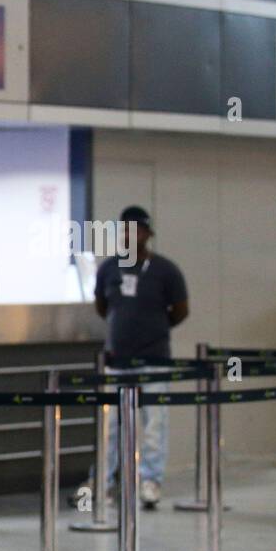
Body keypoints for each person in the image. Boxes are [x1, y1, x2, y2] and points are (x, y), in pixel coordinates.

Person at [93, 205, 188, 509]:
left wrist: (155, 328)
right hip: (118, 358)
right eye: (125, 230)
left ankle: (150, 480)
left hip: (155, 358)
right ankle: (105, 482)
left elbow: (181, 309)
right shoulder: (109, 268)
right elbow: (102, 306)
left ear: (147, 234)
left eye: (137, 230)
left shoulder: (165, 270)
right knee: (112, 425)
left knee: (153, 423)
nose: (130, 236)